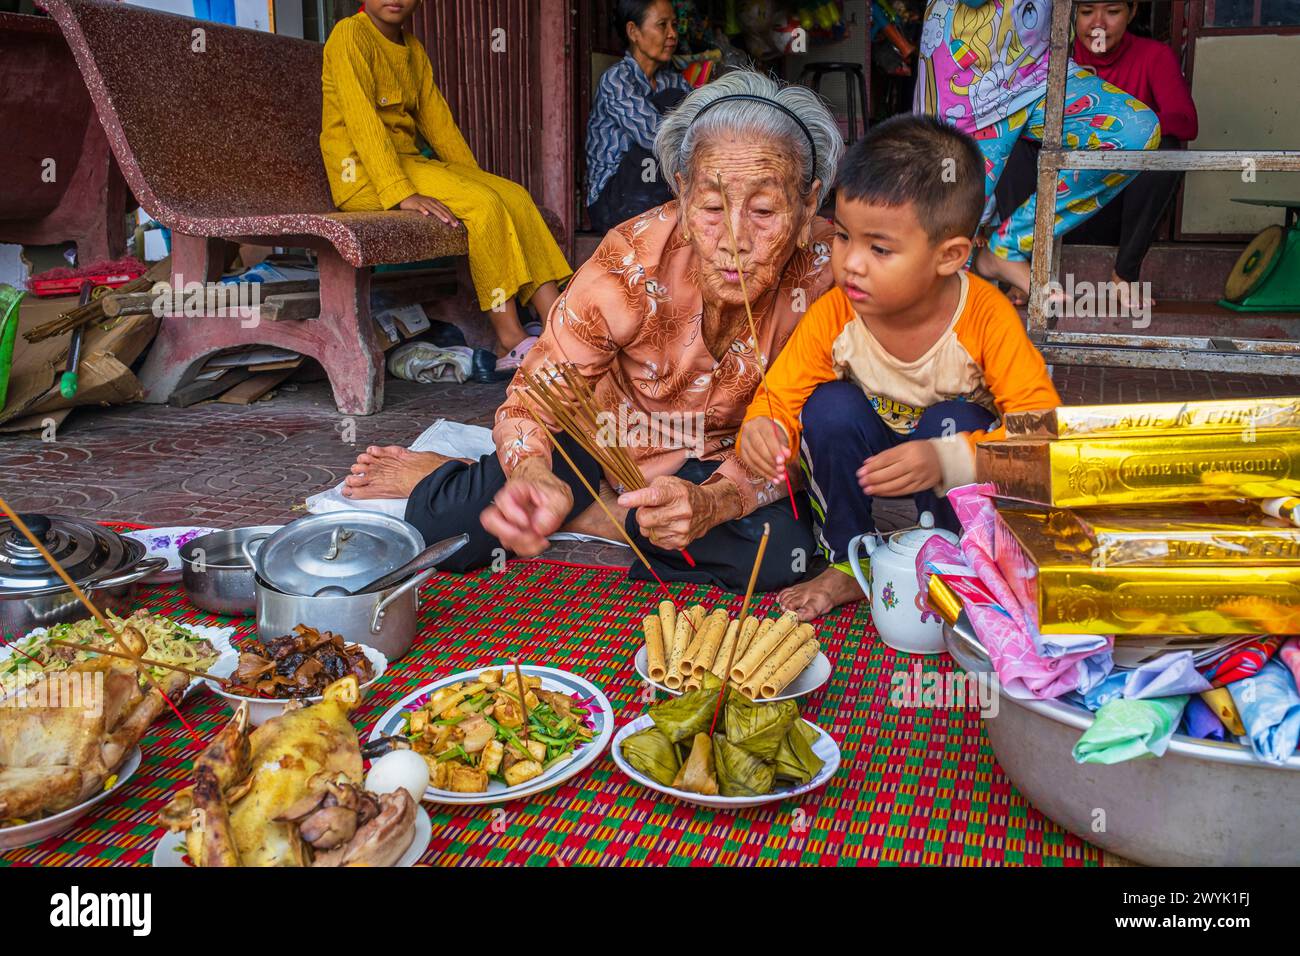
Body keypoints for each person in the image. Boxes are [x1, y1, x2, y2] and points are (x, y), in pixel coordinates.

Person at [341, 71, 845, 594]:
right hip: (605, 436)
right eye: (712, 208)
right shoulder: (630, 261)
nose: (734, 239)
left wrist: (714, 502)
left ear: (808, 204)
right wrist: (532, 473)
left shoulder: (833, 273)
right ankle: (487, 479)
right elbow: (535, 395)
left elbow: (830, 427)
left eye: (764, 210)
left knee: (781, 554)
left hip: (724, 458)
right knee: (449, 531)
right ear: (681, 191)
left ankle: (588, 510)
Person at [737, 115, 1061, 621]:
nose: (851, 264)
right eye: (844, 237)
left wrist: (947, 458)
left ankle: (954, 562)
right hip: (873, 456)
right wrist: (764, 427)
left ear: (950, 256)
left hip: (948, 455)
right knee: (829, 408)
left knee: (956, 421)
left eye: (880, 248)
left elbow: (1042, 436)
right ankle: (848, 560)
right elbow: (779, 396)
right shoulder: (837, 311)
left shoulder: (986, 317)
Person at [320, 0, 572, 371]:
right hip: (362, 175)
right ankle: (510, 341)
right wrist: (400, 192)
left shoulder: (413, 49)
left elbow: (439, 124)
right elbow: (363, 123)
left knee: (513, 196)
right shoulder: (349, 36)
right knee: (483, 205)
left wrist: (472, 177)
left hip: (408, 166)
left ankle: (561, 326)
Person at [912, 0, 1162, 301]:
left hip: (1040, 68)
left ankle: (1009, 246)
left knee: (1135, 134)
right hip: (967, 78)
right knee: (950, 232)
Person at [995, 2, 1198, 304]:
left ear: (1132, 12)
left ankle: (1124, 276)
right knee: (1010, 142)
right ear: (1070, 14)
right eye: (1087, 12)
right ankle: (1022, 269)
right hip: (1056, 203)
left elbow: (1186, 122)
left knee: (1167, 149)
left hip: (1116, 208)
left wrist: (1124, 126)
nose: (1098, 24)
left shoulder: (1153, 56)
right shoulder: (1049, 58)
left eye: (1112, 12)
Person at [586, 0, 692, 233]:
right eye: (662, 25)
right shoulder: (616, 80)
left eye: (674, 25)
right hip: (614, 201)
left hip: (654, 193)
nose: (672, 34)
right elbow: (656, 137)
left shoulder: (672, 79)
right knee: (673, 106)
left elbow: (698, 130)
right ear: (633, 31)